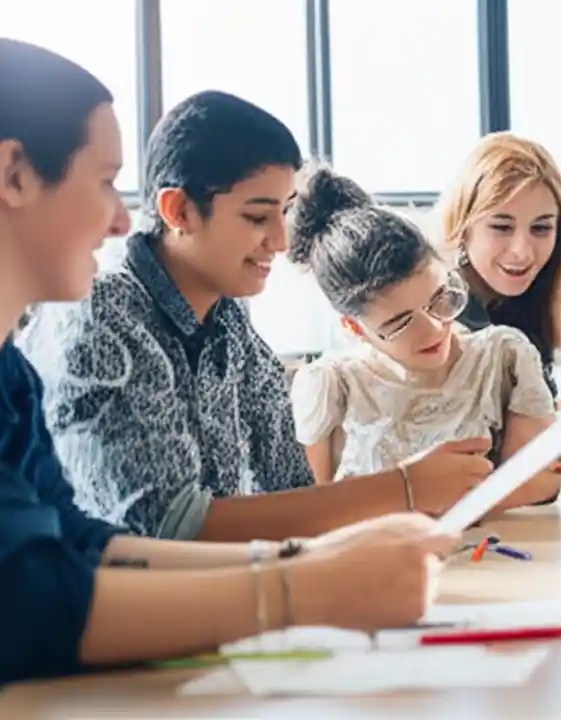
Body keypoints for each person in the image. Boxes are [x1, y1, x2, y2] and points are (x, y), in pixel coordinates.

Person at [0, 38, 456, 685]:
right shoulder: (100, 314)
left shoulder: (11, 374)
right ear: (14, 175)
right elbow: (30, 600)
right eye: (104, 183)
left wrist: (304, 559)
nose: (113, 221)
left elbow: (77, 542)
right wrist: (300, 587)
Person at [18, 91, 488, 542]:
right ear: (178, 209)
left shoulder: (229, 323)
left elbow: (289, 488)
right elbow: (167, 527)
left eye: (285, 212)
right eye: (257, 217)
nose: (281, 242)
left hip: (209, 601)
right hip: (105, 612)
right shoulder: (102, 316)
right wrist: (402, 487)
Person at [287, 166, 559, 510]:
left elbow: (544, 478)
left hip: (491, 554)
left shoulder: (503, 357)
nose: (433, 328)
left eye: (440, 298)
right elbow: (307, 509)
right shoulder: (333, 385)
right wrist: (411, 492)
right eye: (400, 322)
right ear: (356, 329)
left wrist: (448, 498)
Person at [435, 132, 561, 398]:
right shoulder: (444, 328)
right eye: (502, 227)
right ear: (463, 226)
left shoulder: (519, 303)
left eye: (541, 228)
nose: (522, 252)